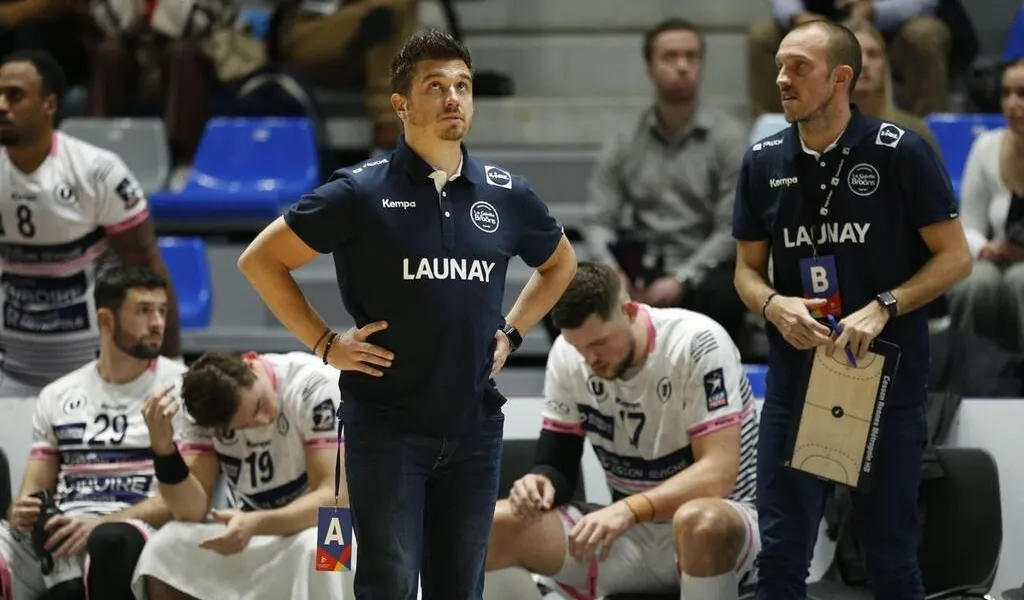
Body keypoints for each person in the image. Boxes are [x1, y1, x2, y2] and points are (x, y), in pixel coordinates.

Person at [237, 28, 577, 600]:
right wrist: (325, 344)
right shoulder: (359, 192)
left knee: (460, 589)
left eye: (463, 86)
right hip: (386, 427)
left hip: (474, 428)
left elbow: (560, 265)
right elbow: (261, 261)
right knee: (388, 584)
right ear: (401, 104)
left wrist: (512, 333)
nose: (453, 99)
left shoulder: (507, 193)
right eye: (436, 86)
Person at [732, 20, 971, 600]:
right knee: (782, 560)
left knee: (890, 559)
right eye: (780, 65)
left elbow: (956, 259)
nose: (782, 78)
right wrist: (774, 303)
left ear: (842, 78)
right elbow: (744, 270)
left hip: (883, 378)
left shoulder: (900, 153)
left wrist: (885, 305)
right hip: (798, 382)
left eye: (799, 68)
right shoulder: (763, 160)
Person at [485, 262, 759, 600]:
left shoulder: (697, 342)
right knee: (493, 525)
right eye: (579, 347)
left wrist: (630, 509)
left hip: (723, 527)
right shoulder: (568, 357)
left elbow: (718, 473)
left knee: (699, 520)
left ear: (629, 311)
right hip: (628, 532)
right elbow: (559, 465)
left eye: (598, 343)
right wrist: (541, 482)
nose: (590, 359)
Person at [0, 49, 182, 397]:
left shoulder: (97, 171)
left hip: (94, 370)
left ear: (49, 105)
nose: (1, 104)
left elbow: (148, 269)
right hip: (11, 372)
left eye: (15, 95)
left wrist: (171, 362)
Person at [0, 264, 183, 600]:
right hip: (63, 529)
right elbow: (32, 490)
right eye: (144, 311)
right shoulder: (58, 394)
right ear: (105, 320)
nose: (158, 323)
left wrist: (97, 523)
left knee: (109, 541)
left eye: (162, 311)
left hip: (134, 526)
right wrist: (21, 511)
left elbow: (187, 500)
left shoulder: (181, 388)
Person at [582, 18, 749, 343]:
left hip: (701, 272)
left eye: (692, 56)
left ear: (701, 65)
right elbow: (598, 221)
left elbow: (730, 229)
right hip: (638, 270)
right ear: (650, 67)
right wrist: (614, 272)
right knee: (569, 285)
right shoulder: (624, 139)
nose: (683, 66)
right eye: (670, 57)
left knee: (727, 290)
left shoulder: (729, 138)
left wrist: (681, 279)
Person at [131, 350, 347, 600]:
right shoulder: (196, 407)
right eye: (245, 426)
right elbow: (190, 512)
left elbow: (336, 497)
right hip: (251, 522)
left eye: (260, 404)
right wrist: (164, 449)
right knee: (165, 547)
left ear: (251, 364)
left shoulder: (315, 385)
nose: (264, 419)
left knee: (327, 545)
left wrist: (257, 524)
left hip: (330, 518)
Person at [746, 0, 951, 117]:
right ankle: (772, 130)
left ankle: (929, 125)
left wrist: (874, 10)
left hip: (890, 29)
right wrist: (797, 17)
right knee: (763, 34)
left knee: (926, 33)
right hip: (817, 23)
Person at [946, 57, 1024, 351]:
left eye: (1022, 94)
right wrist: (984, 248)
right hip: (997, 255)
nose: (1012, 104)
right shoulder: (986, 147)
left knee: (1022, 279)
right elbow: (967, 226)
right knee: (975, 283)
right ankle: (969, 380)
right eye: (1006, 93)